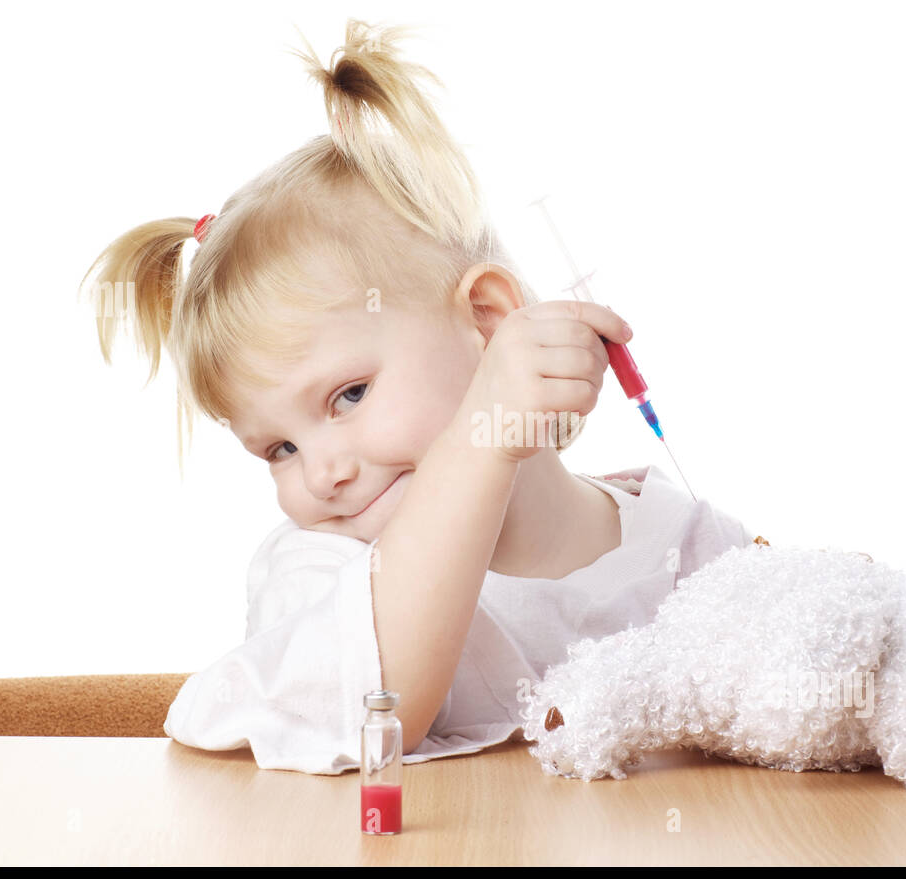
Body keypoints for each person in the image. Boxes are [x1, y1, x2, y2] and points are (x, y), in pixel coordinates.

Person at [80, 18, 754, 774]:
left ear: (488, 322)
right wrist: (480, 438)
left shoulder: (688, 544)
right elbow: (384, 704)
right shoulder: (322, 571)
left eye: (347, 396)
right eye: (280, 449)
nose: (321, 472)